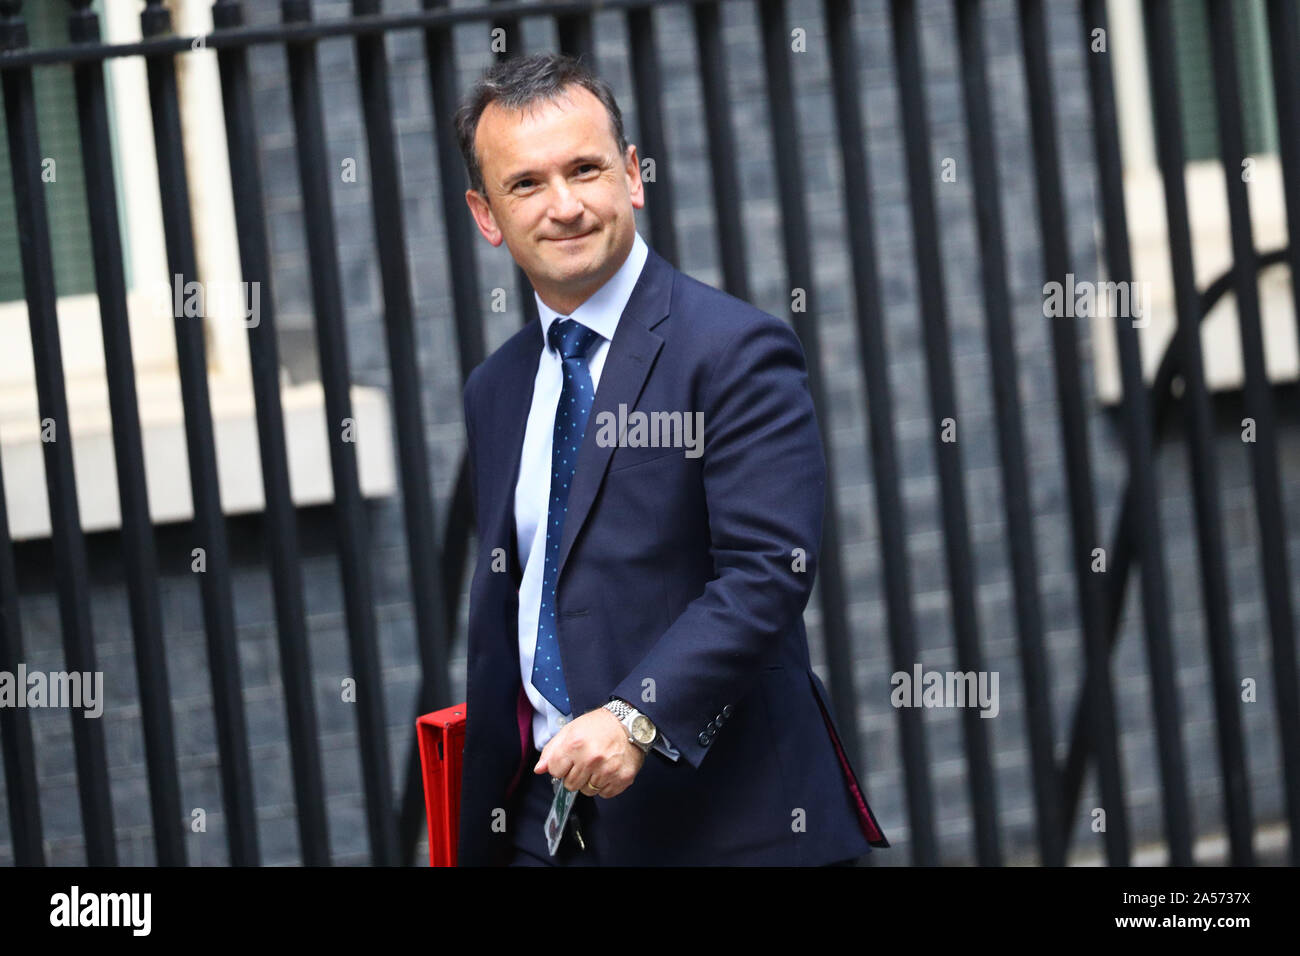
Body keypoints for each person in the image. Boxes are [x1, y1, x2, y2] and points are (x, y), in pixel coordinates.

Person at [453, 51, 888, 866]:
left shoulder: (733, 350)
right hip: (542, 832)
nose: (565, 206)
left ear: (632, 175)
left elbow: (767, 573)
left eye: (586, 169)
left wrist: (634, 717)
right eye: (526, 185)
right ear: (487, 215)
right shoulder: (497, 388)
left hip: (723, 830)